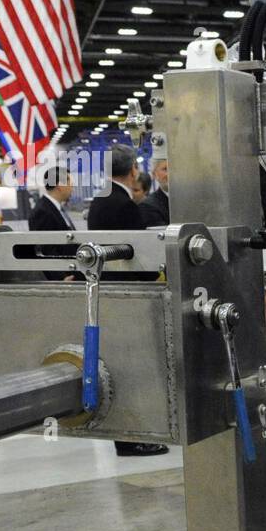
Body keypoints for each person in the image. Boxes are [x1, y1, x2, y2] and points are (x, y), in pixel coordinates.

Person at [87, 145, 168, 457]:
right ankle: (130, 436)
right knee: (130, 367)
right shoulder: (124, 204)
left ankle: (128, 434)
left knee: (117, 364)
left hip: (110, 292)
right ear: (134, 170)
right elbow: (138, 255)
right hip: (127, 294)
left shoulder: (101, 201)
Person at [139, 159, 169, 227]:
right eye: (165, 169)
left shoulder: (193, 201)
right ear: (154, 174)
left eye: (174, 168)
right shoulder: (148, 206)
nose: (171, 173)